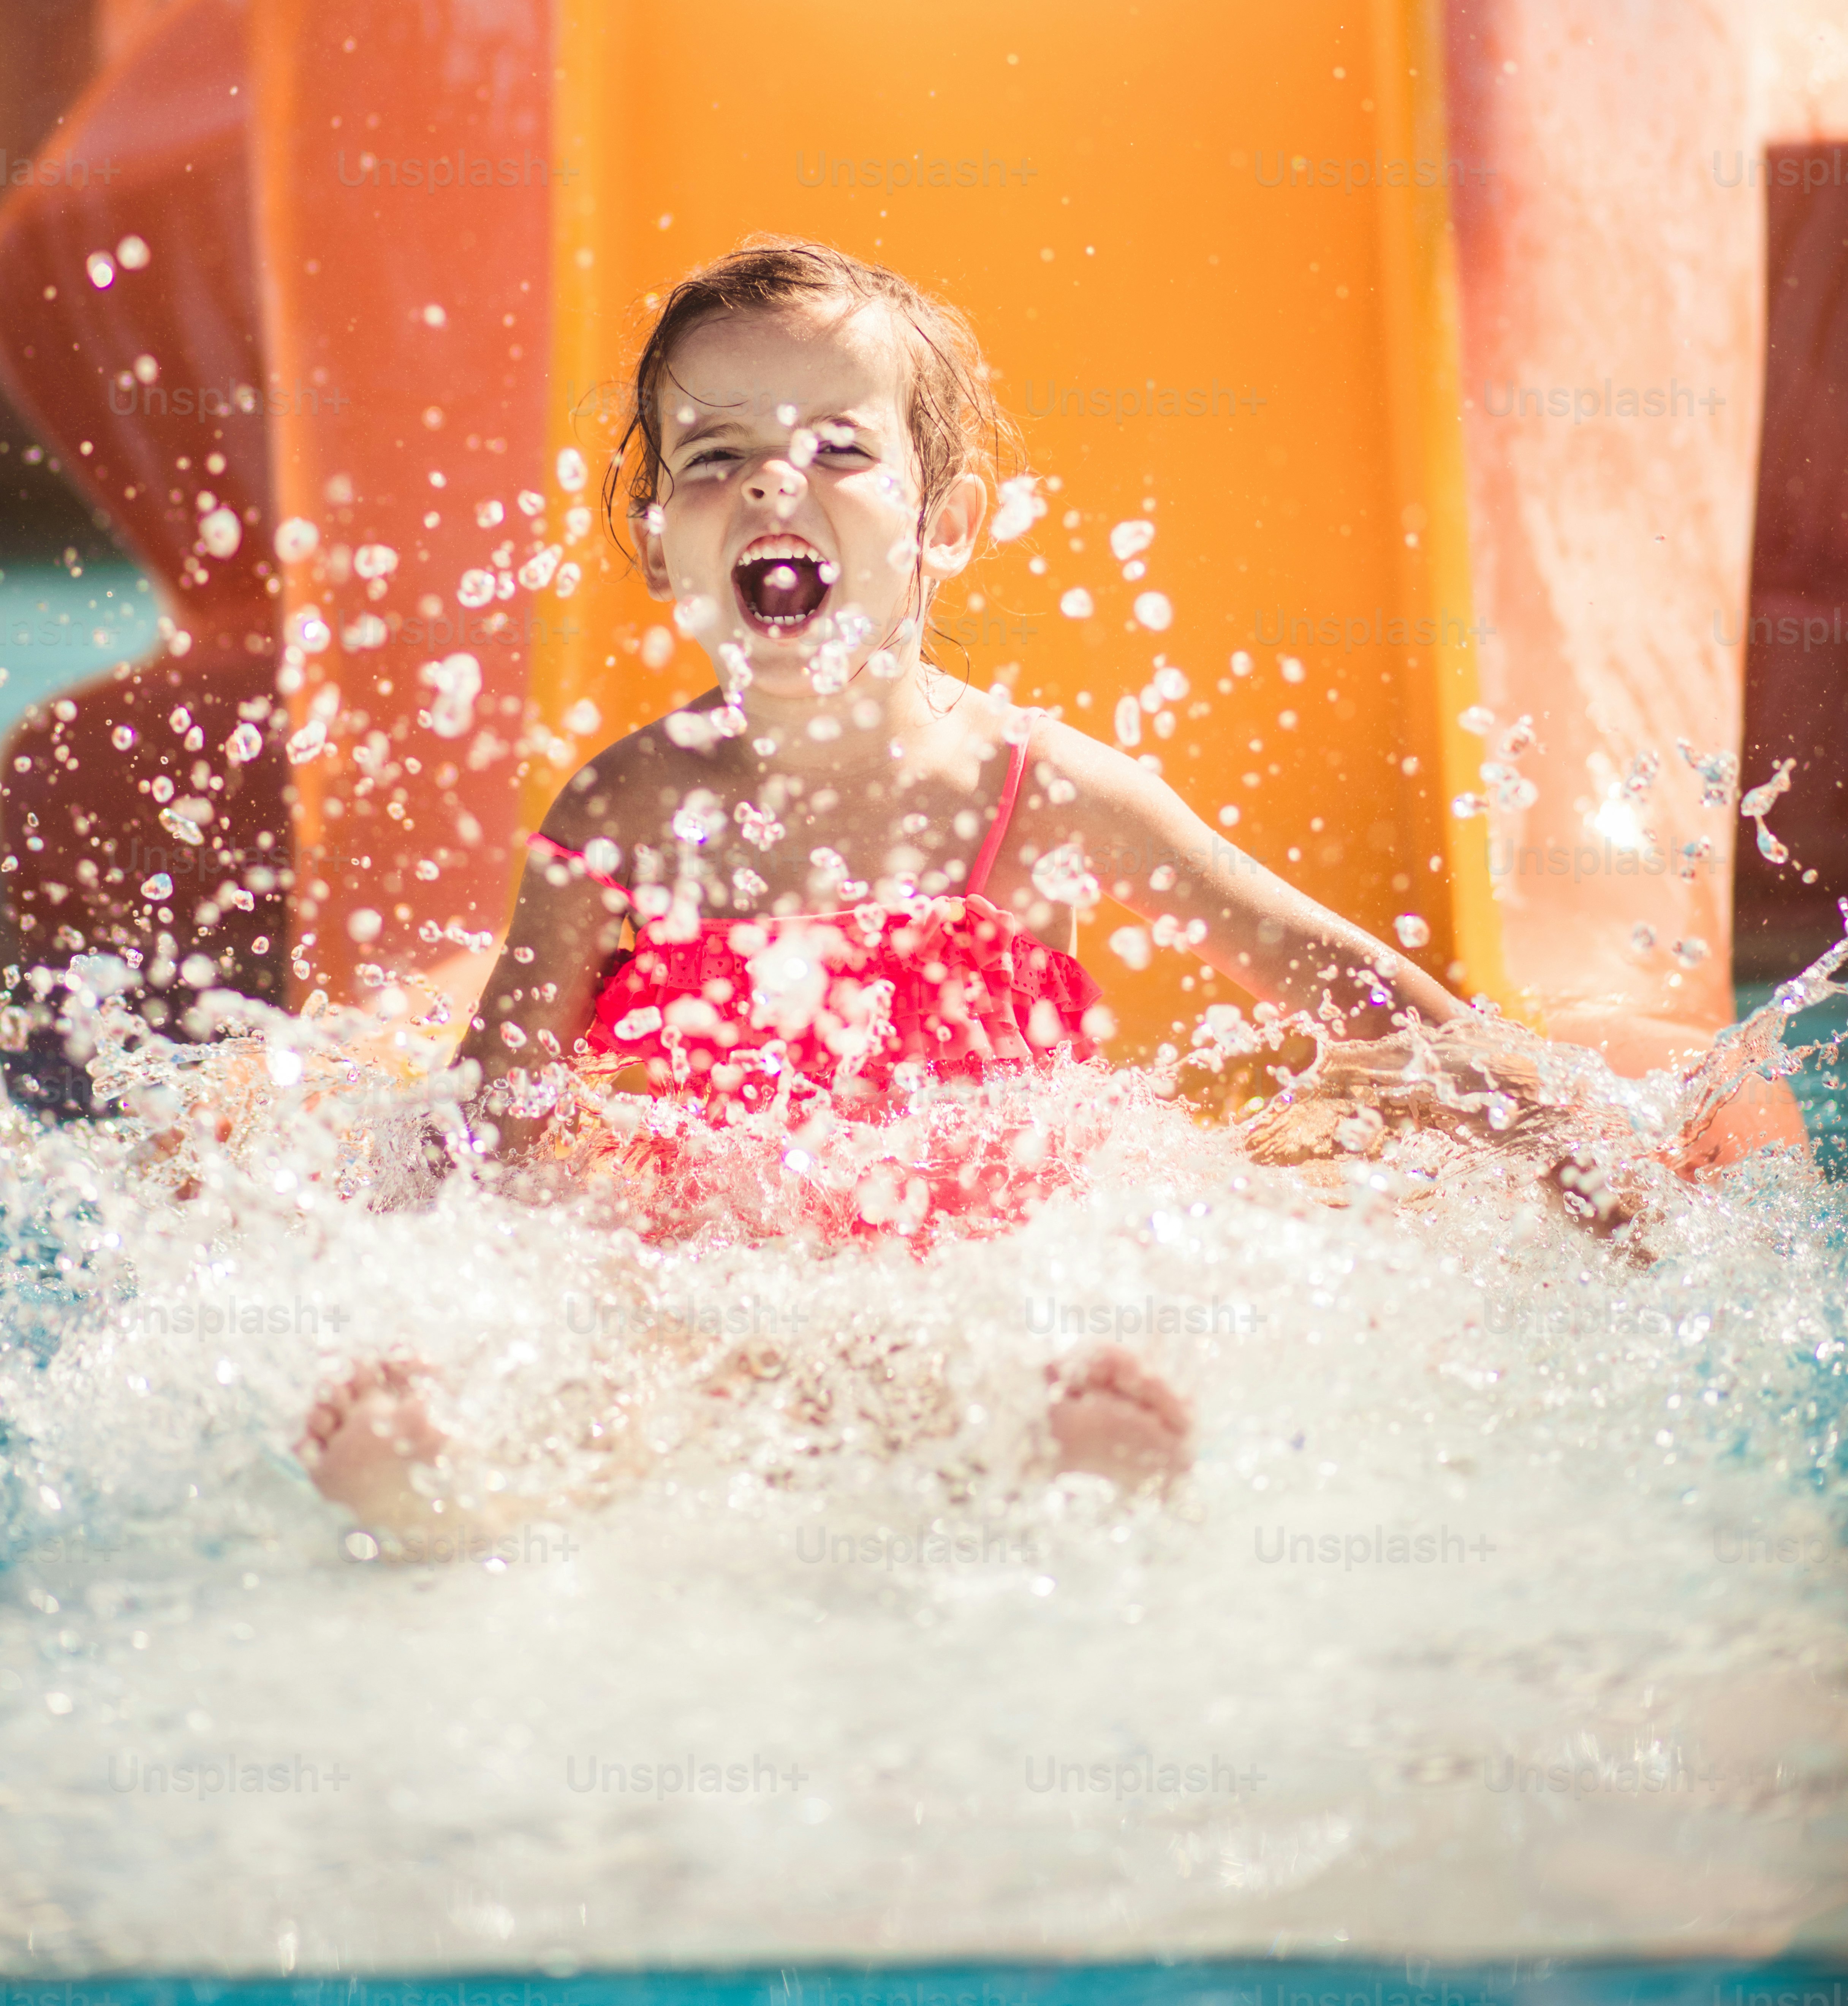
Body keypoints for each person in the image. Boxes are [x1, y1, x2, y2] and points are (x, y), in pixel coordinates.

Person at [302, 237, 1638, 1534]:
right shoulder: (621, 814)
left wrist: (1587, 1157)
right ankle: (459, 1498)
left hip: (984, 1265)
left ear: (946, 524)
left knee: (1004, 1362)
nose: (776, 489)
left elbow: (1351, 990)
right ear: (658, 550)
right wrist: (370, 1279)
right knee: (644, 1373)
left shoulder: (1042, 786)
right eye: (718, 460)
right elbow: (493, 1119)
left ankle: (1067, 1474)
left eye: (838, 449)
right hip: (721, 1273)